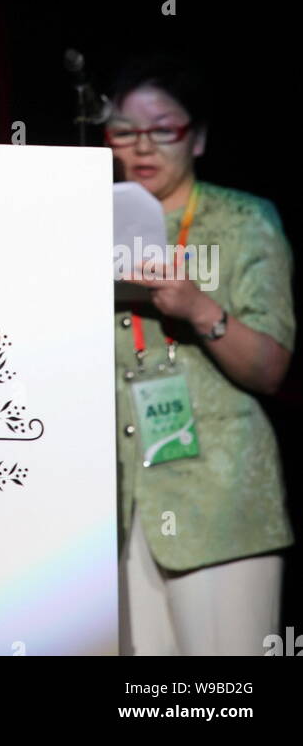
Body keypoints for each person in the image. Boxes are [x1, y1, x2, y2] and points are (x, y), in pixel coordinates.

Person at [107, 51, 295, 656]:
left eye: (163, 129)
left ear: (200, 136)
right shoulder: (86, 222)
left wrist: (198, 309)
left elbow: (271, 368)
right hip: (115, 507)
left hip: (218, 504)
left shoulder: (243, 221)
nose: (142, 147)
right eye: (124, 130)